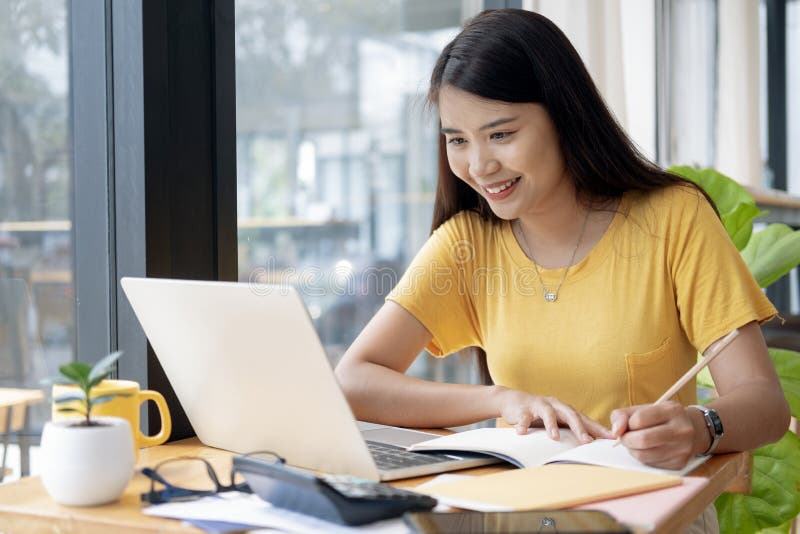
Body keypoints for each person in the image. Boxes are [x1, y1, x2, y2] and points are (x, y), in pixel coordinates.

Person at [334, 9, 789, 532]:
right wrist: (498, 399)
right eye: (457, 139)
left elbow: (766, 405)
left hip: (648, 516)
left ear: (564, 116)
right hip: (519, 515)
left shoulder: (673, 219)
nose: (478, 165)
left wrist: (700, 425)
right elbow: (354, 382)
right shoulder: (468, 242)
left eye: (501, 134)